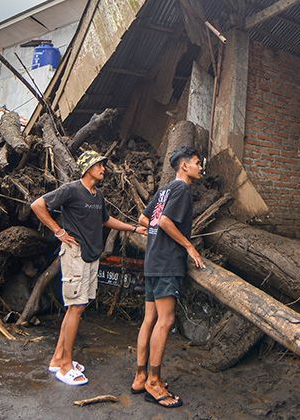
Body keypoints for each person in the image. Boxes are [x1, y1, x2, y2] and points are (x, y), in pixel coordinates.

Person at [31, 150, 146, 386]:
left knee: (77, 307)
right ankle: (66, 366)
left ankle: (57, 359)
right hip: (75, 254)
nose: (103, 169)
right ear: (87, 168)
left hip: (91, 256)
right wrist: (59, 231)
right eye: (99, 165)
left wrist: (134, 228)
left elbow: (106, 220)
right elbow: (38, 205)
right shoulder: (71, 190)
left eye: (103, 165)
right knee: (75, 307)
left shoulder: (97, 195)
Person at [131, 145, 206, 408]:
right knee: (166, 320)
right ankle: (154, 381)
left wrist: (156, 234)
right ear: (184, 166)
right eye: (197, 162)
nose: (200, 167)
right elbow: (164, 221)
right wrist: (188, 246)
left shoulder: (164, 190)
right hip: (167, 263)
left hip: (153, 260)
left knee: (149, 319)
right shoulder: (182, 190)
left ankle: (140, 377)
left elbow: (144, 219)